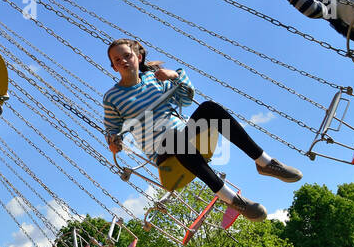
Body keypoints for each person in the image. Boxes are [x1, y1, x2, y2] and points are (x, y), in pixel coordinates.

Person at [102, 38, 301, 222]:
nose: (124, 61)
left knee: (209, 108)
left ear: (138, 56)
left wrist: (174, 76)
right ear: (113, 67)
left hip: (186, 135)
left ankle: (265, 162)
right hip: (162, 154)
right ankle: (232, 199)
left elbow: (186, 99)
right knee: (174, 139)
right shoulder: (112, 97)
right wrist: (113, 143)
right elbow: (112, 128)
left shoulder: (155, 79)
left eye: (127, 56)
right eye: (117, 60)